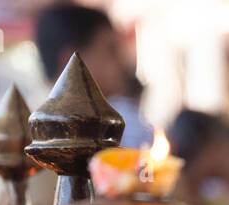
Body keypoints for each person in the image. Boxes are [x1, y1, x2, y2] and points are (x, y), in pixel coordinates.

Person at [34, 3, 151, 148]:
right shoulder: (120, 128)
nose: (121, 62)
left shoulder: (36, 132)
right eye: (110, 50)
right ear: (72, 60)